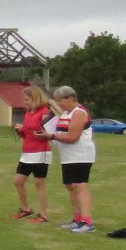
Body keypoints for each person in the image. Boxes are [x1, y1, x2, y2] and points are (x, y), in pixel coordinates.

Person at [38, 85, 97, 233]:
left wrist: (51, 136)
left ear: (71, 98)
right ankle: (77, 219)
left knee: (80, 186)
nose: (60, 105)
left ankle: (87, 221)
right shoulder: (66, 113)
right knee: (70, 186)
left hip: (81, 155)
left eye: (61, 101)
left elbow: (73, 137)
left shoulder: (79, 113)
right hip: (68, 156)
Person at [10, 85, 54, 224]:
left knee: (39, 183)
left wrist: (28, 130)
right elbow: (27, 134)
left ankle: (44, 215)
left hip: (41, 152)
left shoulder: (45, 112)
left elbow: (46, 134)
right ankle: (25, 208)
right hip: (28, 152)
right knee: (18, 181)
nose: (25, 103)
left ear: (35, 98)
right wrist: (20, 130)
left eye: (27, 99)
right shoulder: (28, 113)